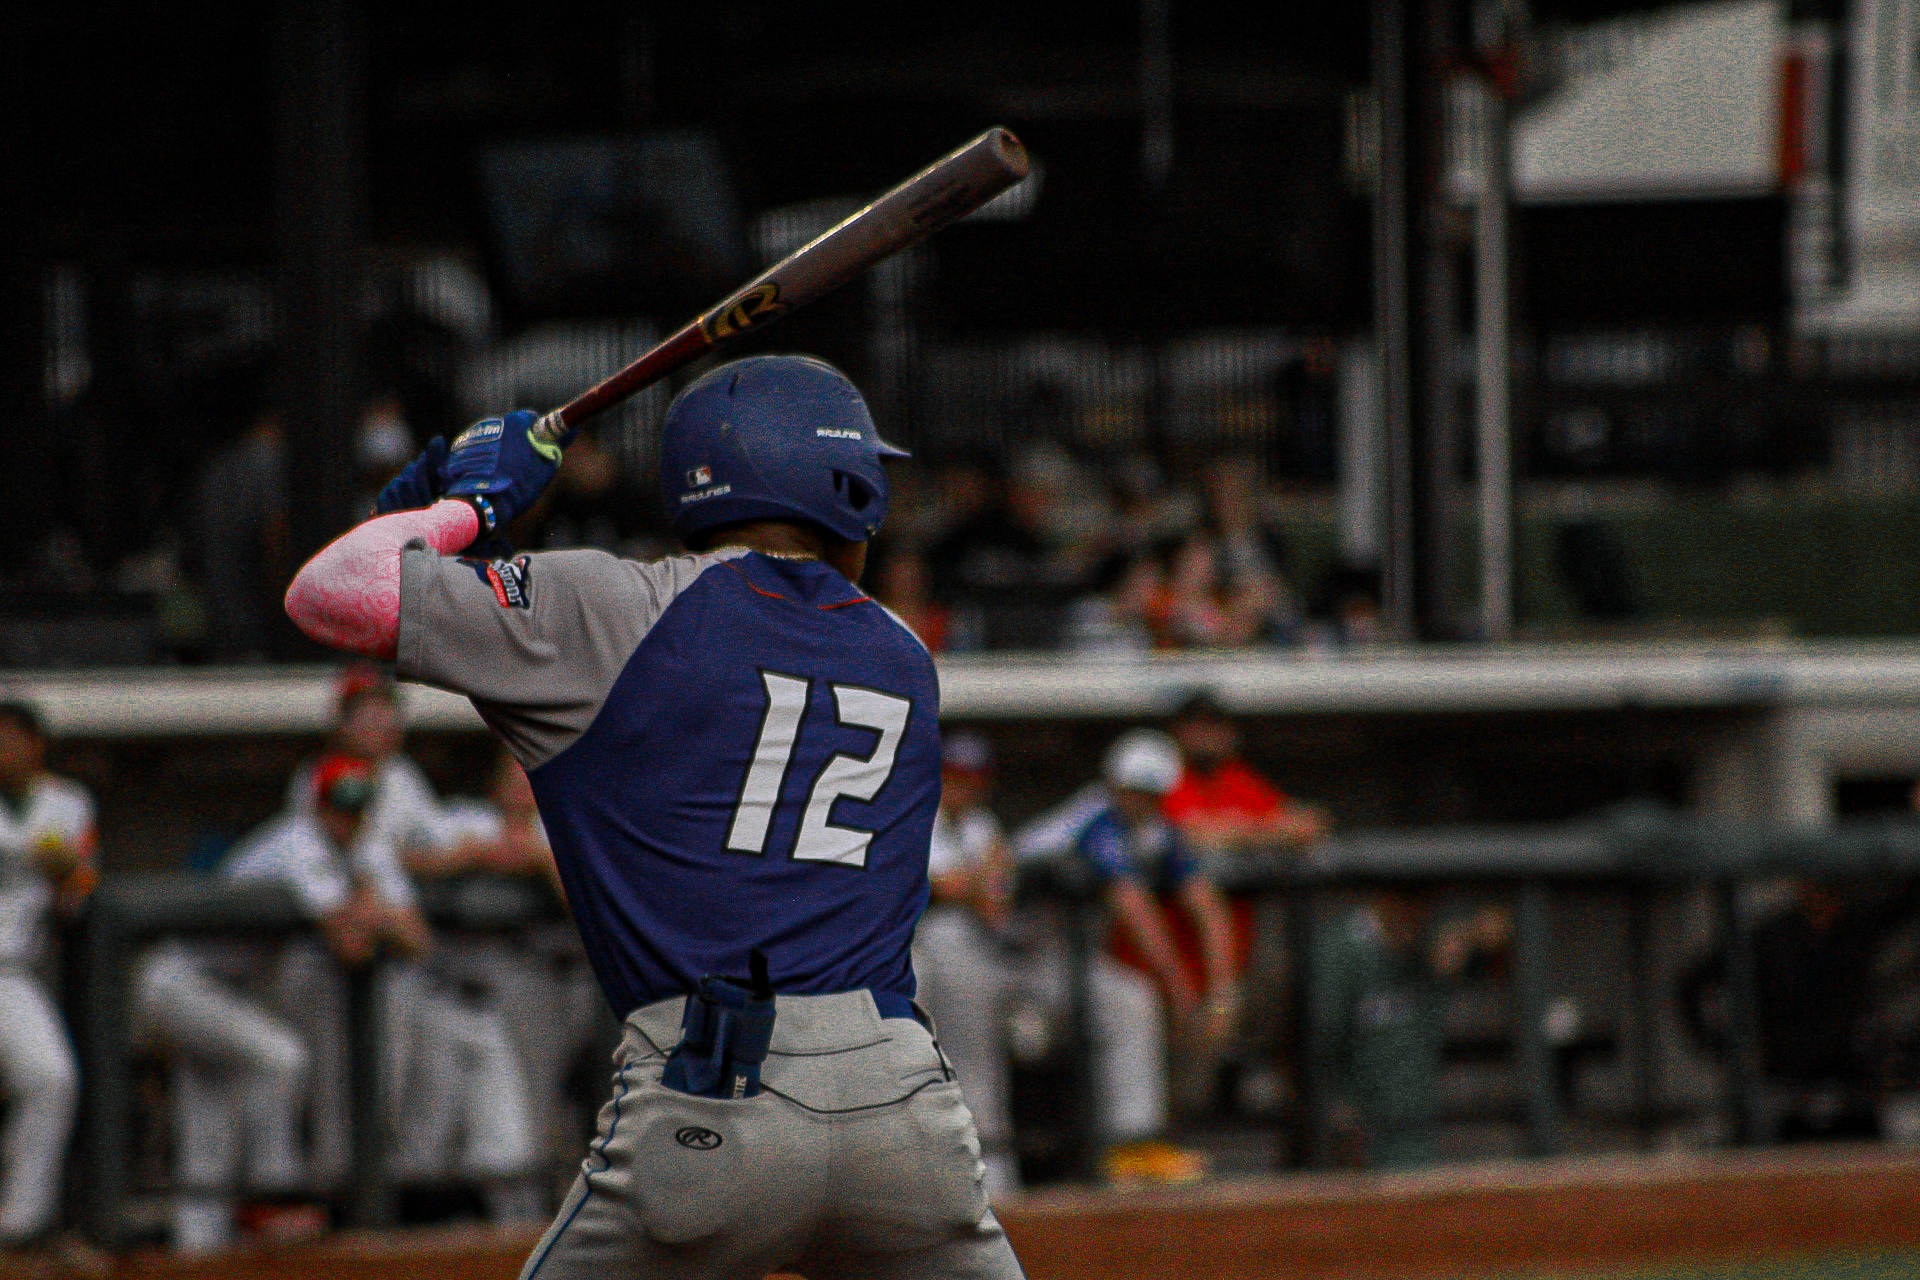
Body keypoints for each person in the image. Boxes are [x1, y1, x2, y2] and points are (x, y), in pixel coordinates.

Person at [285, 354, 1025, 1279]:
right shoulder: (903, 650)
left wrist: (462, 514)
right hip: (907, 1111)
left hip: (714, 1101)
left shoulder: (617, 606)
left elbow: (326, 594)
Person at [135, 753, 427, 1252]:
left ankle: (196, 1250)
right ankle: (272, 1194)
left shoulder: (364, 846)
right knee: (280, 1058)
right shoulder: (294, 842)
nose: (348, 818)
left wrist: (371, 911)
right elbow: (350, 943)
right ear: (316, 806)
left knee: (207, 1142)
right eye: (339, 806)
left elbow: (415, 938)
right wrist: (374, 909)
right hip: (180, 985)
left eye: (358, 808)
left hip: (227, 992)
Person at [1012, 729, 1238, 1184]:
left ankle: (1132, 1148)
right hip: (996, 952)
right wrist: (1181, 994)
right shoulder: (1096, 820)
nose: (1140, 800)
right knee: (1131, 1002)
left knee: (1130, 1001)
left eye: (1150, 792)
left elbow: (1205, 902)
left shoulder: (1153, 829)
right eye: (1133, 789)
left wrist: (1223, 991)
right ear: (1113, 784)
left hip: (1054, 958)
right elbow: (1134, 908)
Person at [1313, 890, 1510, 1169]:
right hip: (1353, 1135)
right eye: (1408, 897)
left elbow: (1497, 935)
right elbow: (1316, 1044)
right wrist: (1337, 1115)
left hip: (1416, 1132)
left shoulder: (1432, 940)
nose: (1417, 911)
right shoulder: (1339, 950)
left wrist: (1477, 935)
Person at [0, 703, 92, 1256]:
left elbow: (78, 889)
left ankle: (16, 1229)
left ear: (36, 746)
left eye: (10, 738)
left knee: (49, 1078)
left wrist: (68, 876)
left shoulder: (68, 804)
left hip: (13, 971)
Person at [912, 732, 1018, 1196]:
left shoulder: (984, 824)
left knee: (975, 1068)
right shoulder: (914, 816)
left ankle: (995, 1183)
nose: (962, 789)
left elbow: (995, 904)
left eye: (972, 780)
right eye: (953, 778)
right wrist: (975, 879)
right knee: (912, 1069)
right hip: (912, 953)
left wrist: (968, 883)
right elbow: (943, 888)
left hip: (967, 952)